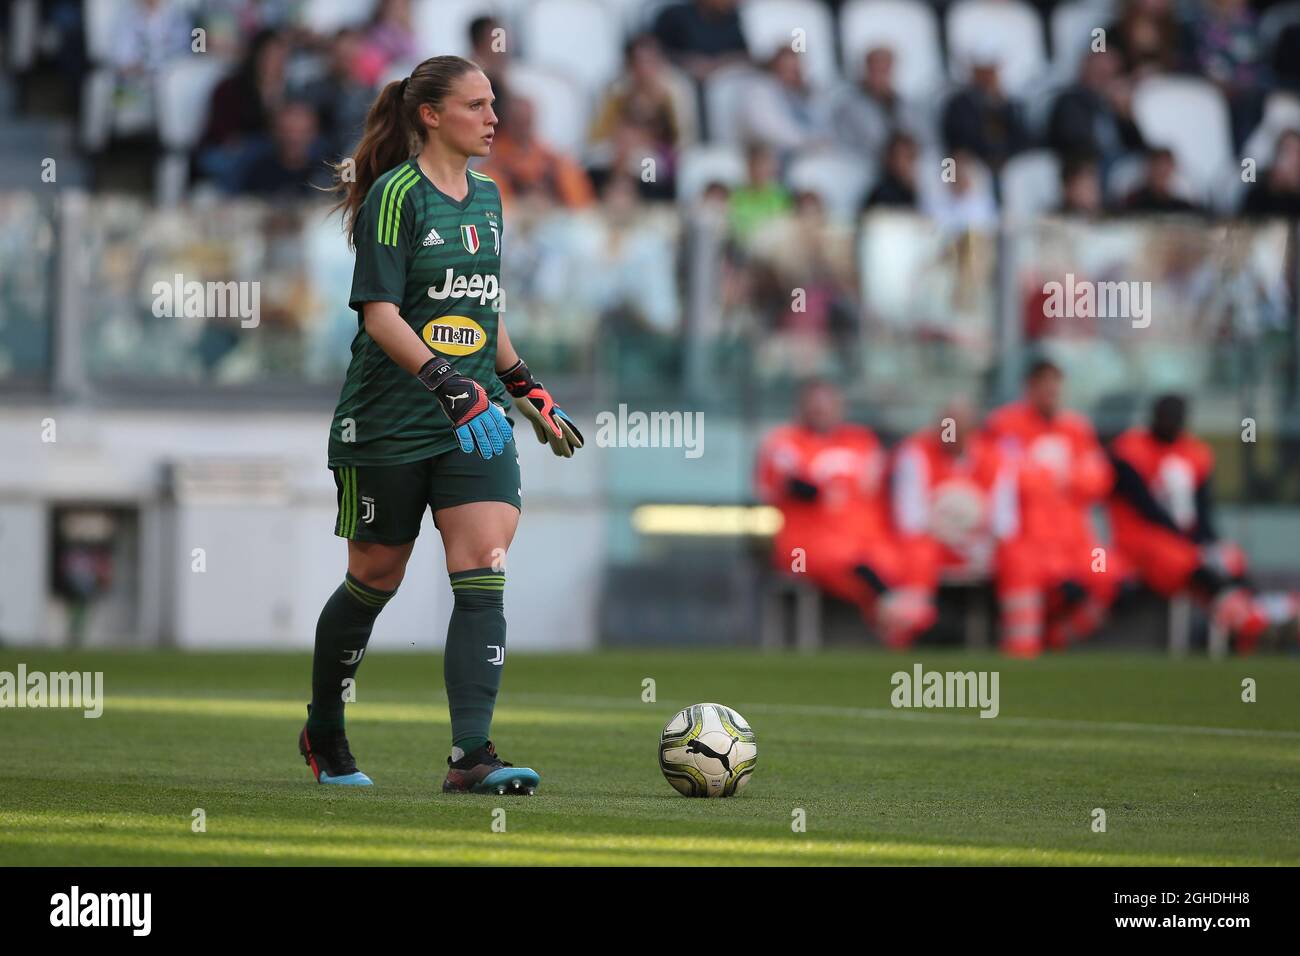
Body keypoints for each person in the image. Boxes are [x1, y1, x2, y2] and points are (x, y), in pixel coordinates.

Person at [303, 56, 584, 795]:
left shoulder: (490, 197)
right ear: (431, 115)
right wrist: (443, 382)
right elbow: (379, 311)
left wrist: (525, 388)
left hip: (474, 417)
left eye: (494, 104)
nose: (495, 118)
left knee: (484, 563)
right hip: (389, 420)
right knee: (375, 576)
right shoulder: (395, 197)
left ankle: (472, 757)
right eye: (477, 105)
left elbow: (481, 312)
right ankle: (325, 728)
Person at [1108, 395, 1298, 652]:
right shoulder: (1130, 449)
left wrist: (1210, 544)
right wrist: (1195, 545)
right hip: (1145, 541)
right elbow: (1147, 508)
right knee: (1195, 566)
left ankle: (1256, 616)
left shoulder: (1194, 452)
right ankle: (1256, 622)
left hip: (1184, 541)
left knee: (1229, 559)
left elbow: (1203, 511)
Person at [755, 380, 927, 646]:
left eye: (827, 406)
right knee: (848, 561)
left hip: (864, 536)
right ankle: (890, 608)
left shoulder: (860, 441)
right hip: (807, 541)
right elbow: (792, 483)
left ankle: (898, 619)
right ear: (801, 409)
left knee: (899, 557)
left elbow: (882, 482)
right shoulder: (785, 441)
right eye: (814, 407)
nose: (821, 413)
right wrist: (823, 491)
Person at [984, 359, 1122, 656]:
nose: (1050, 394)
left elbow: (1098, 480)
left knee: (1106, 573)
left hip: (1074, 540)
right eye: (1043, 387)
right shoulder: (1004, 425)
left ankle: (1059, 636)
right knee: (1022, 586)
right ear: (1029, 388)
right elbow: (1005, 476)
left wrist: (1059, 476)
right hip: (1025, 540)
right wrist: (1057, 478)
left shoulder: (1076, 428)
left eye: (1054, 387)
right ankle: (1022, 655)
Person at [891, 398, 1018, 647]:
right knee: (918, 553)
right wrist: (953, 536)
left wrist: (977, 543)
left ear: (973, 429)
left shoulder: (996, 458)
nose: (949, 433)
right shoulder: (915, 453)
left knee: (1019, 557)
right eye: (946, 426)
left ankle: (1022, 650)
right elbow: (910, 520)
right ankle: (908, 634)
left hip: (980, 546)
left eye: (957, 427)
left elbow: (1005, 523)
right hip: (934, 544)